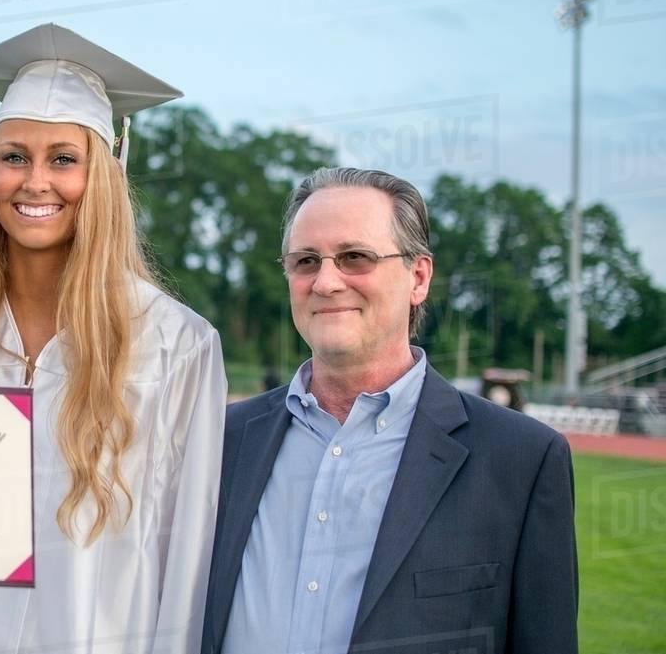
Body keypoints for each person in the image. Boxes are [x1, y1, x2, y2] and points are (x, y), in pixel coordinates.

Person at [0, 24, 228, 654]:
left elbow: (187, 556)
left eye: (63, 159)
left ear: (100, 177)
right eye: (13, 155)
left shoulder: (175, 344)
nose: (34, 181)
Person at [202, 167, 578, 654]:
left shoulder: (521, 460)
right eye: (306, 261)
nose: (326, 281)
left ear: (418, 277)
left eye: (354, 257)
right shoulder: (221, 441)